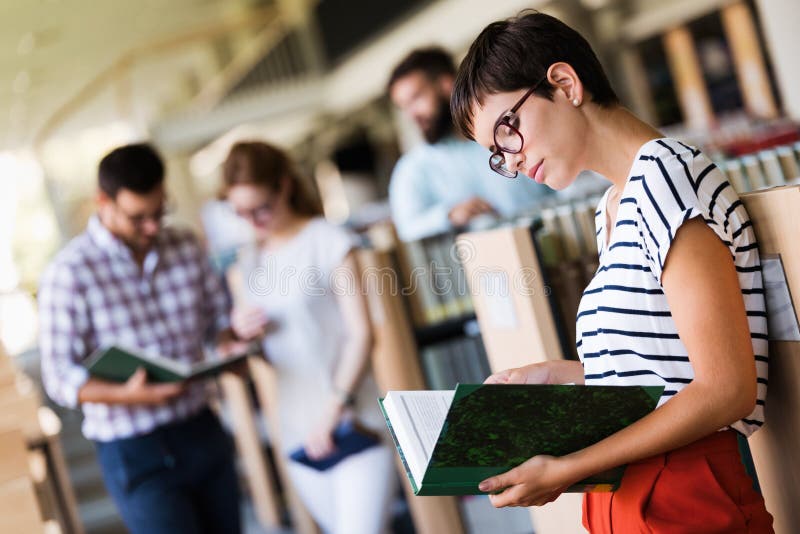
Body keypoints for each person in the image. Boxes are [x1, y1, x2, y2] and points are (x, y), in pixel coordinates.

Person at [450, 11, 772, 533]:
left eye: (507, 132)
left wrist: (570, 467)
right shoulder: (614, 204)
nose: (511, 162)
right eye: (496, 155)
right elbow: (667, 372)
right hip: (630, 496)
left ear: (564, 82)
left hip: (685, 496)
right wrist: (568, 376)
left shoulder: (666, 176)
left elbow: (725, 387)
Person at [38, 143, 242, 534]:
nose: (151, 227)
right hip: (133, 450)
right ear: (103, 202)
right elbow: (60, 377)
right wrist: (130, 395)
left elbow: (217, 320)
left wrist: (228, 344)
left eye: (159, 212)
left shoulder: (184, 244)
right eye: (137, 217)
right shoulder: (69, 273)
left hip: (200, 428)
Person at [222, 141, 396, 534]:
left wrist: (335, 409)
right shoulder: (251, 261)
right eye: (241, 213)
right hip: (297, 429)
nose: (253, 220)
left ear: (283, 187)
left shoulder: (328, 240)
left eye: (260, 207)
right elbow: (273, 354)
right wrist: (245, 338)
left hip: (353, 418)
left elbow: (361, 334)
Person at [387, 47, 554, 241]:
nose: (411, 115)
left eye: (416, 98)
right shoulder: (413, 168)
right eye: (404, 107)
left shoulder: (510, 131)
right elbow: (407, 227)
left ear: (446, 84)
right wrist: (449, 215)